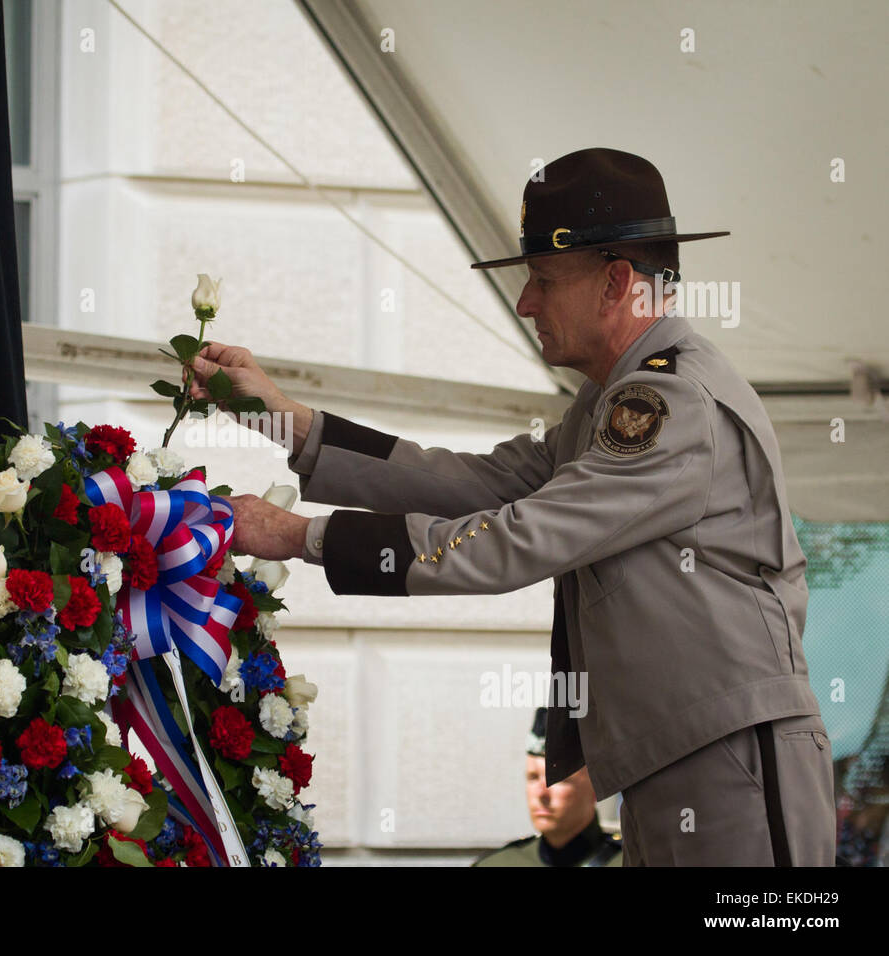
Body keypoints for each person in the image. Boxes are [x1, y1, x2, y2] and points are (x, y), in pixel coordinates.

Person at [193, 148, 835, 866]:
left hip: (724, 755)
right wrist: (281, 418)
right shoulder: (614, 398)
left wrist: (302, 536)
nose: (527, 303)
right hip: (691, 754)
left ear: (616, 282)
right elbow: (474, 485)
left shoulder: (670, 401)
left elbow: (515, 540)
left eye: (544, 280)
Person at [474, 708, 621, 866]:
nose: (541, 793)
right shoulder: (497, 863)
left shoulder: (630, 861)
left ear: (597, 786)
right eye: (533, 777)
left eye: (557, 780)